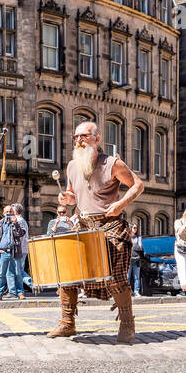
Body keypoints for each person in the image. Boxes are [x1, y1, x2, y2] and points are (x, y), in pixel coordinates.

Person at [49, 120, 144, 342]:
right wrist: (67, 198)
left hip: (110, 225)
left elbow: (138, 185)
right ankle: (67, 323)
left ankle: (127, 324)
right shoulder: (73, 166)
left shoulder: (112, 164)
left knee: (116, 277)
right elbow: (73, 195)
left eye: (84, 136)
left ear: (97, 139)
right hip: (83, 226)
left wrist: (120, 205)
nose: (79, 141)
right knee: (68, 273)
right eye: (76, 137)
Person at [0, 208, 23, 300]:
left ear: (13, 213)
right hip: (3, 253)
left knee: (18, 273)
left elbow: (21, 233)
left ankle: (20, 293)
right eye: (7, 212)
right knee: (1, 274)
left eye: (10, 211)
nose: (9, 213)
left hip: (14, 252)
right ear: (4, 213)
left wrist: (16, 223)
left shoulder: (17, 223)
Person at [11, 204, 33, 292]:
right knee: (19, 270)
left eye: (12, 211)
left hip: (20, 249)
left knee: (18, 270)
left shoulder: (19, 221)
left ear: (15, 212)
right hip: (23, 248)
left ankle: (32, 284)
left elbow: (18, 235)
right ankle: (18, 288)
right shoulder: (23, 220)